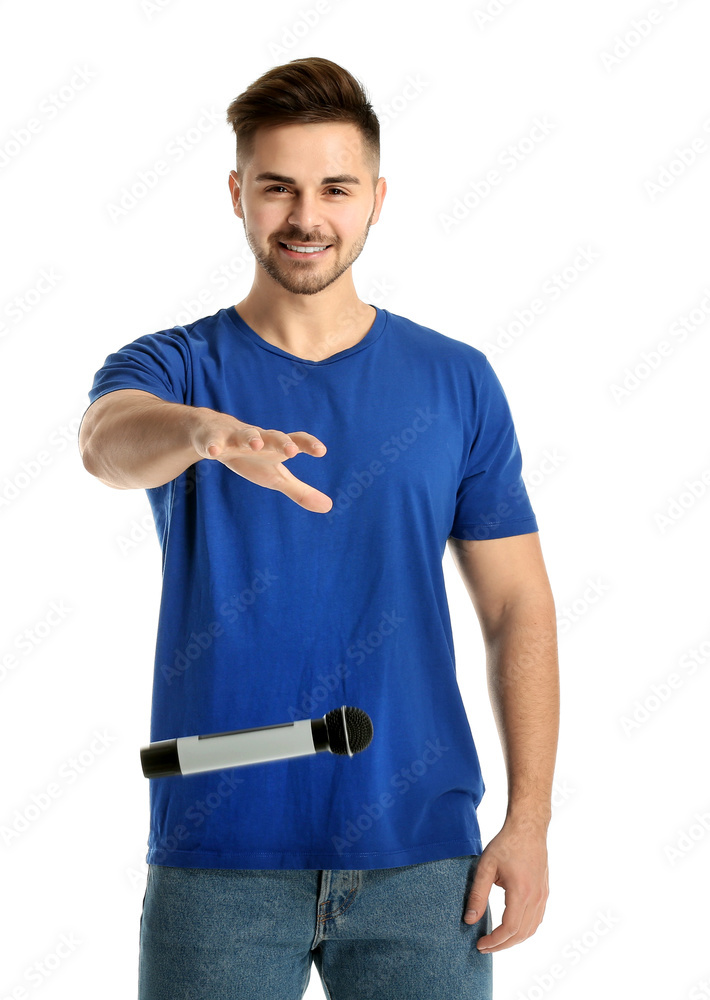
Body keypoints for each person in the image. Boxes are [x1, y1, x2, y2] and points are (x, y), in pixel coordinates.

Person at [78, 56, 559, 1000]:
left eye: (335, 188)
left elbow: (518, 609)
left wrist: (530, 819)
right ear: (238, 195)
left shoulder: (456, 380)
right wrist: (206, 433)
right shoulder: (174, 367)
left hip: (424, 863)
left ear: (377, 198)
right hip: (216, 858)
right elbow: (106, 443)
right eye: (278, 188)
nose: (306, 217)